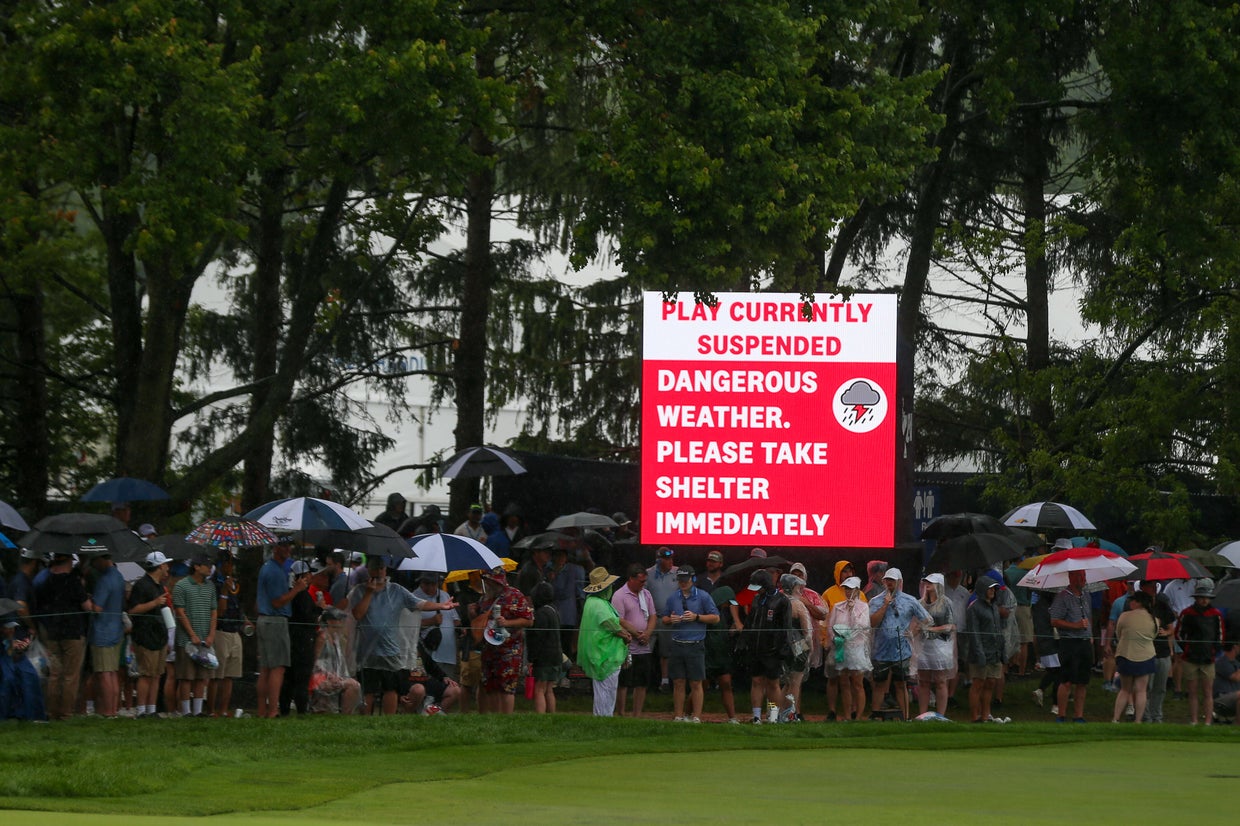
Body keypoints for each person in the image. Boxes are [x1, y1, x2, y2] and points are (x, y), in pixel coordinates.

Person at [350, 556, 455, 716]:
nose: (378, 571)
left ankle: (389, 722)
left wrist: (441, 605)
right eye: (375, 568)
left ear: (385, 570)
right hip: (367, 651)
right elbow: (357, 614)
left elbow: (418, 603)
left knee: (390, 688)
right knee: (368, 690)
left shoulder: (396, 590)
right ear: (368, 570)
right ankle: (365, 722)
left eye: (381, 568)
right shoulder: (359, 590)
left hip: (390, 649)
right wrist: (369, 592)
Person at [34, 552, 94, 720]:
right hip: (73, 632)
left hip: (53, 632)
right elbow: (87, 606)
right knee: (70, 675)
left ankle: (51, 712)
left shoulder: (46, 582)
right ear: (68, 561)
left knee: (54, 674)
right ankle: (65, 713)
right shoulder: (73, 581)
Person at [868, 567, 932, 721]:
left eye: (893, 580)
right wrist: (885, 605)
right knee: (879, 684)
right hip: (881, 650)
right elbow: (872, 623)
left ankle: (905, 718)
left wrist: (913, 632)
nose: (889, 583)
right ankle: (876, 717)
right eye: (887, 580)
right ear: (883, 581)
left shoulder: (910, 600)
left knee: (901, 684)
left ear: (899, 582)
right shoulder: (876, 600)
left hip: (902, 650)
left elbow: (926, 619)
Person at [661, 565, 718, 723]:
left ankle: (696, 717)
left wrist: (696, 617)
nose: (683, 583)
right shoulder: (673, 598)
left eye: (685, 580)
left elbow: (715, 617)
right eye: (680, 580)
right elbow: (664, 618)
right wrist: (670, 620)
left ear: (692, 579)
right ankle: (678, 716)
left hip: (695, 643)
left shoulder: (703, 596)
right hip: (678, 643)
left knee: (696, 682)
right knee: (678, 681)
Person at [256, 538, 304, 719]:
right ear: (275, 548)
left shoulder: (266, 567)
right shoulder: (275, 572)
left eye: (289, 546)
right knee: (277, 668)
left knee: (265, 668)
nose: (288, 549)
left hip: (263, 619)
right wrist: (297, 589)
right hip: (275, 620)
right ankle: (273, 710)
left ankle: (262, 710)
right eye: (283, 546)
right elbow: (277, 602)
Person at [477, 566, 533, 714]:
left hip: (509, 649)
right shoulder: (484, 598)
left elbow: (529, 620)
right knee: (490, 684)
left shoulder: (515, 595)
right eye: (487, 581)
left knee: (507, 687)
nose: (488, 584)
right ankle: (495, 718)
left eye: (491, 581)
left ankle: (507, 719)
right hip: (489, 648)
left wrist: (507, 623)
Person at [741, 569, 793, 724]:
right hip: (756, 648)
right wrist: (744, 639)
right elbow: (750, 622)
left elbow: (786, 627)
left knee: (772, 683)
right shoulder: (757, 599)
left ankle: (773, 715)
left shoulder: (782, 601)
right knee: (756, 681)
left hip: (772, 650)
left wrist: (783, 647)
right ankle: (756, 716)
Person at [578, 567, 630, 716]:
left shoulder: (592, 601)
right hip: (605, 654)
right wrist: (625, 635)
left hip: (599, 653)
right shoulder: (599, 604)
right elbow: (611, 624)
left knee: (604, 689)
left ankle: (603, 716)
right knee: (606, 690)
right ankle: (603, 717)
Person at [172, 552, 218, 717]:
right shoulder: (181, 586)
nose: (209, 568)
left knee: (201, 676)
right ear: (196, 567)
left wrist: (211, 635)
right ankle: (186, 711)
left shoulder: (210, 586)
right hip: (187, 640)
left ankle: (198, 711)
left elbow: (214, 612)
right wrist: (191, 634)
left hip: (205, 638)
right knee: (186, 677)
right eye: (206, 565)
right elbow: (180, 612)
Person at [128, 551, 171, 718]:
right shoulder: (142, 585)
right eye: (165, 564)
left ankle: (151, 709)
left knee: (157, 674)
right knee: (146, 674)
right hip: (145, 636)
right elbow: (133, 610)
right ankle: (141, 710)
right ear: (159, 566)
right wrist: (154, 603)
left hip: (159, 635)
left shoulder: (159, 586)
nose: (167, 568)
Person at [612, 563, 657, 717]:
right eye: (640, 581)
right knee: (624, 682)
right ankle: (622, 713)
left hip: (644, 645)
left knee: (642, 682)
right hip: (627, 645)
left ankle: (637, 714)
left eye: (644, 581)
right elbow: (619, 620)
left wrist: (648, 633)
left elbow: (652, 615)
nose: (643, 584)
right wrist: (637, 634)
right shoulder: (619, 595)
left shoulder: (646, 594)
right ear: (631, 579)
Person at [822, 560, 865, 720]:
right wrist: (827, 640)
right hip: (837, 646)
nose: (847, 574)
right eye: (844, 571)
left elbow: (864, 624)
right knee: (837, 680)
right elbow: (826, 622)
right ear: (837, 573)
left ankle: (855, 712)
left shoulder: (861, 598)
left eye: (849, 571)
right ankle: (834, 711)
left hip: (856, 646)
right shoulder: (829, 594)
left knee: (855, 681)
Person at [1178, 579, 1223, 725]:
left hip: (1208, 658)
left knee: (1208, 692)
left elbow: (1220, 636)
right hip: (1190, 657)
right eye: (1201, 597)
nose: (1204, 600)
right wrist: (1187, 648)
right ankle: (1194, 721)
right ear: (1196, 597)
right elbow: (1179, 634)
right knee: (1192, 692)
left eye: (1206, 597)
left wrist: (1214, 650)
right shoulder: (1187, 613)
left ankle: (1208, 722)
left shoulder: (1215, 614)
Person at [1050, 569, 1093, 723]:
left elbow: (1089, 618)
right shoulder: (1062, 597)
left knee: (1082, 681)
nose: (1083, 578)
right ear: (1071, 577)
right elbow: (1054, 620)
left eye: (1084, 575)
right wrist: (1075, 625)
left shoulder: (1085, 596)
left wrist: (1090, 635)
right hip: (1069, 642)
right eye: (1080, 576)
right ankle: (1061, 715)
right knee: (1066, 680)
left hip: (1085, 642)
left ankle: (1078, 716)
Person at [209, 550, 249, 718]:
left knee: (230, 674)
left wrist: (245, 619)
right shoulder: (215, 583)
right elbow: (221, 610)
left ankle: (224, 709)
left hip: (235, 630)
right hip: (221, 631)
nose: (232, 567)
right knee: (217, 675)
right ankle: (211, 710)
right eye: (230, 563)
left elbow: (237, 605)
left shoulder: (234, 582)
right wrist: (224, 591)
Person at [88, 552, 126, 718]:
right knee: (112, 672)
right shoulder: (119, 576)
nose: (93, 564)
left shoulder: (104, 580)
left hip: (103, 632)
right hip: (116, 630)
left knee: (104, 673)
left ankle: (108, 711)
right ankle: (113, 709)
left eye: (94, 560)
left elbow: (97, 608)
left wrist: (87, 600)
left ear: (102, 559)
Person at [914, 572, 956, 718]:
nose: (927, 584)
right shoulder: (920, 603)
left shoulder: (946, 603)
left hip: (940, 645)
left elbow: (951, 626)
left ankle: (940, 715)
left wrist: (931, 629)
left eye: (930, 582)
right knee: (923, 681)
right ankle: (923, 715)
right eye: (926, 582)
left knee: (940, 681)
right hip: (924, 645)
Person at [1112, 590, 1158, 724]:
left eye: (1134, 600)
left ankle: (1116, 719)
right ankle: (1138, 721)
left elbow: (1118, 633)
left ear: (1140, 602)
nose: (1130, 602)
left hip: (1126, 654)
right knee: (1141, 691)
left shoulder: (1124, 616)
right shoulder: (1154, 619)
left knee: (1125, 689)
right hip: (1146, 655)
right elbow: (1153, 636)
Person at [965, 576, 1006, 723]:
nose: (992, 591)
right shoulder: (974, 608)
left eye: (994, 588)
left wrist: (1003, 651)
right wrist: (979, 653)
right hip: (980, 653)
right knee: (978, 684)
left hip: (994, 652)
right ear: (982, 590)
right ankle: (974, 717)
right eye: (990, 588)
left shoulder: (994, 607)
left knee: (990, 684)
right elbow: (974, 633)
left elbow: (999, 631)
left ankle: (985, 715)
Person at [281, 560, 320, 715]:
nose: (311, 576)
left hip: (292, 640)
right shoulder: (301, 595)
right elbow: (308, 618)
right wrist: (320, 610)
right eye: (309, 573)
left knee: (289, 679)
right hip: (302, 641)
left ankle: (285, 709)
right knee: (301, 679)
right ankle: (301, 710)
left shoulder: (294, 594)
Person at [309, 607, 361, 714]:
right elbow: (314, 661)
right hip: (319, 677)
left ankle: (345, 714)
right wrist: (328, 675)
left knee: (354, 685)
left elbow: (340, 663)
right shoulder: (322, 637)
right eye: (338, 619)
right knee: (352, 685)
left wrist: (340, 676)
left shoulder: (336, 638)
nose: (341, 622)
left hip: (334, 676)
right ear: (329, 621)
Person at [646, 547, 679, 693]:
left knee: (666, 652)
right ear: (659, 560)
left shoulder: (677, 573)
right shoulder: (648, 574)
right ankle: (643, 682)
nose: (670, 561)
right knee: (645, 650)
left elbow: (682, 593)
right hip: (651, 619)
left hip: (668, 619)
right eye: (667, 559)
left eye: (671, 558)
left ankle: (664, 682)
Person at [0, 618, 46, 721]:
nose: (11, 630)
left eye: (13, 628)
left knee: (30, 677)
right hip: (4, 668)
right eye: (8, 628)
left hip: (16, 664)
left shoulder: (14, 639)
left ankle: (31, 714)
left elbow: (15, 657)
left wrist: (19, 649)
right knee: (8, 680)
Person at [416, 573, 459, 680]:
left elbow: (456, 620)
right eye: (427, 583)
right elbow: (407, 625)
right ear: (420, 582)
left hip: (448, 654)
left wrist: (460, 629)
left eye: (433, 584)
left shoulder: (445, 595)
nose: (430, 587)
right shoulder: (413, 597)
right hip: (428, 655)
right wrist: (431, 621)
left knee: (450, 688)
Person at [527, 582, 562, 713]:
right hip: (556, 656)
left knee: (539, 689)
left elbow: (537, 638)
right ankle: (551, 715)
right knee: (549, 689)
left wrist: (532, 658)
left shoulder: (541, 613)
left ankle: (540, 717)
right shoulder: (554, 610)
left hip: (544, 658)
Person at [782, 573, 812, 721]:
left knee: (785, 682)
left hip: (781, 645)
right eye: (798, 586)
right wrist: (810, 648)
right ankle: (791, 714)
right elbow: (807, 631)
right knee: (795, 682)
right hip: (798, 645)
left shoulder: (779, 601)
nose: (801, 589)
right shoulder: (798, 604)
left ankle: (779, 713)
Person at [1212, 643, 1240, 724]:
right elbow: (1236, 677)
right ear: (1235, 647)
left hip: (1235, 698)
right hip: (1221, 699)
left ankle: (1237, 728)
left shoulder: (1236, 663)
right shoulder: (1222, 662)